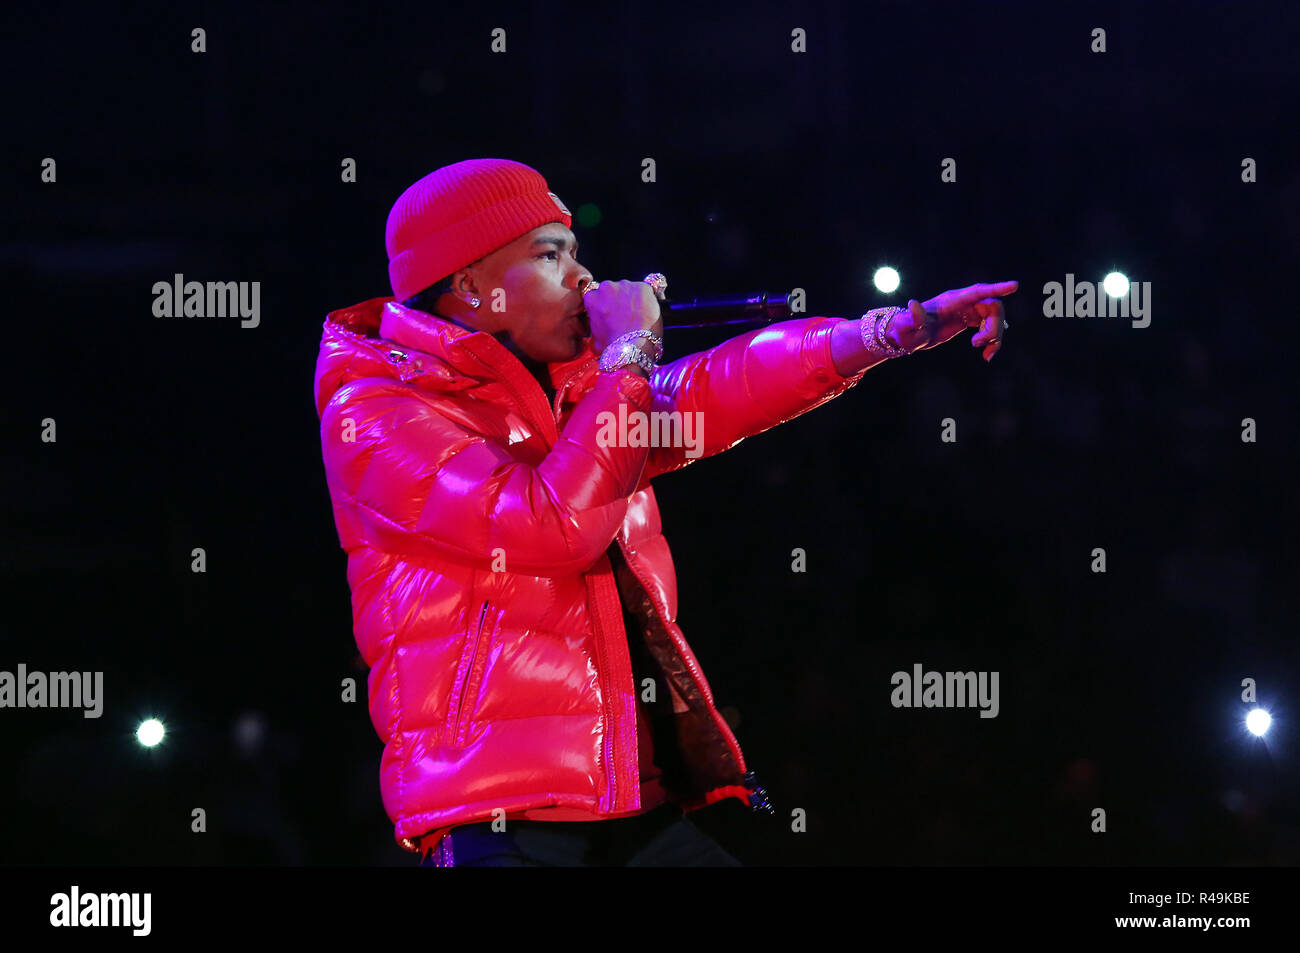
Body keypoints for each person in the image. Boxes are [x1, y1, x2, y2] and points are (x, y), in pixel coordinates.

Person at [312, 157, 1016, 866]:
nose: (583, 278)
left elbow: (715, 391)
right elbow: (549, 524)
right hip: (498, 818)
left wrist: (883, 336)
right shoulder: (377, 409)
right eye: (550, 255)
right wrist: (628, 356)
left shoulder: (577, 399)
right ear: (467, 285)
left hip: (631, 798)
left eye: (576, 253)